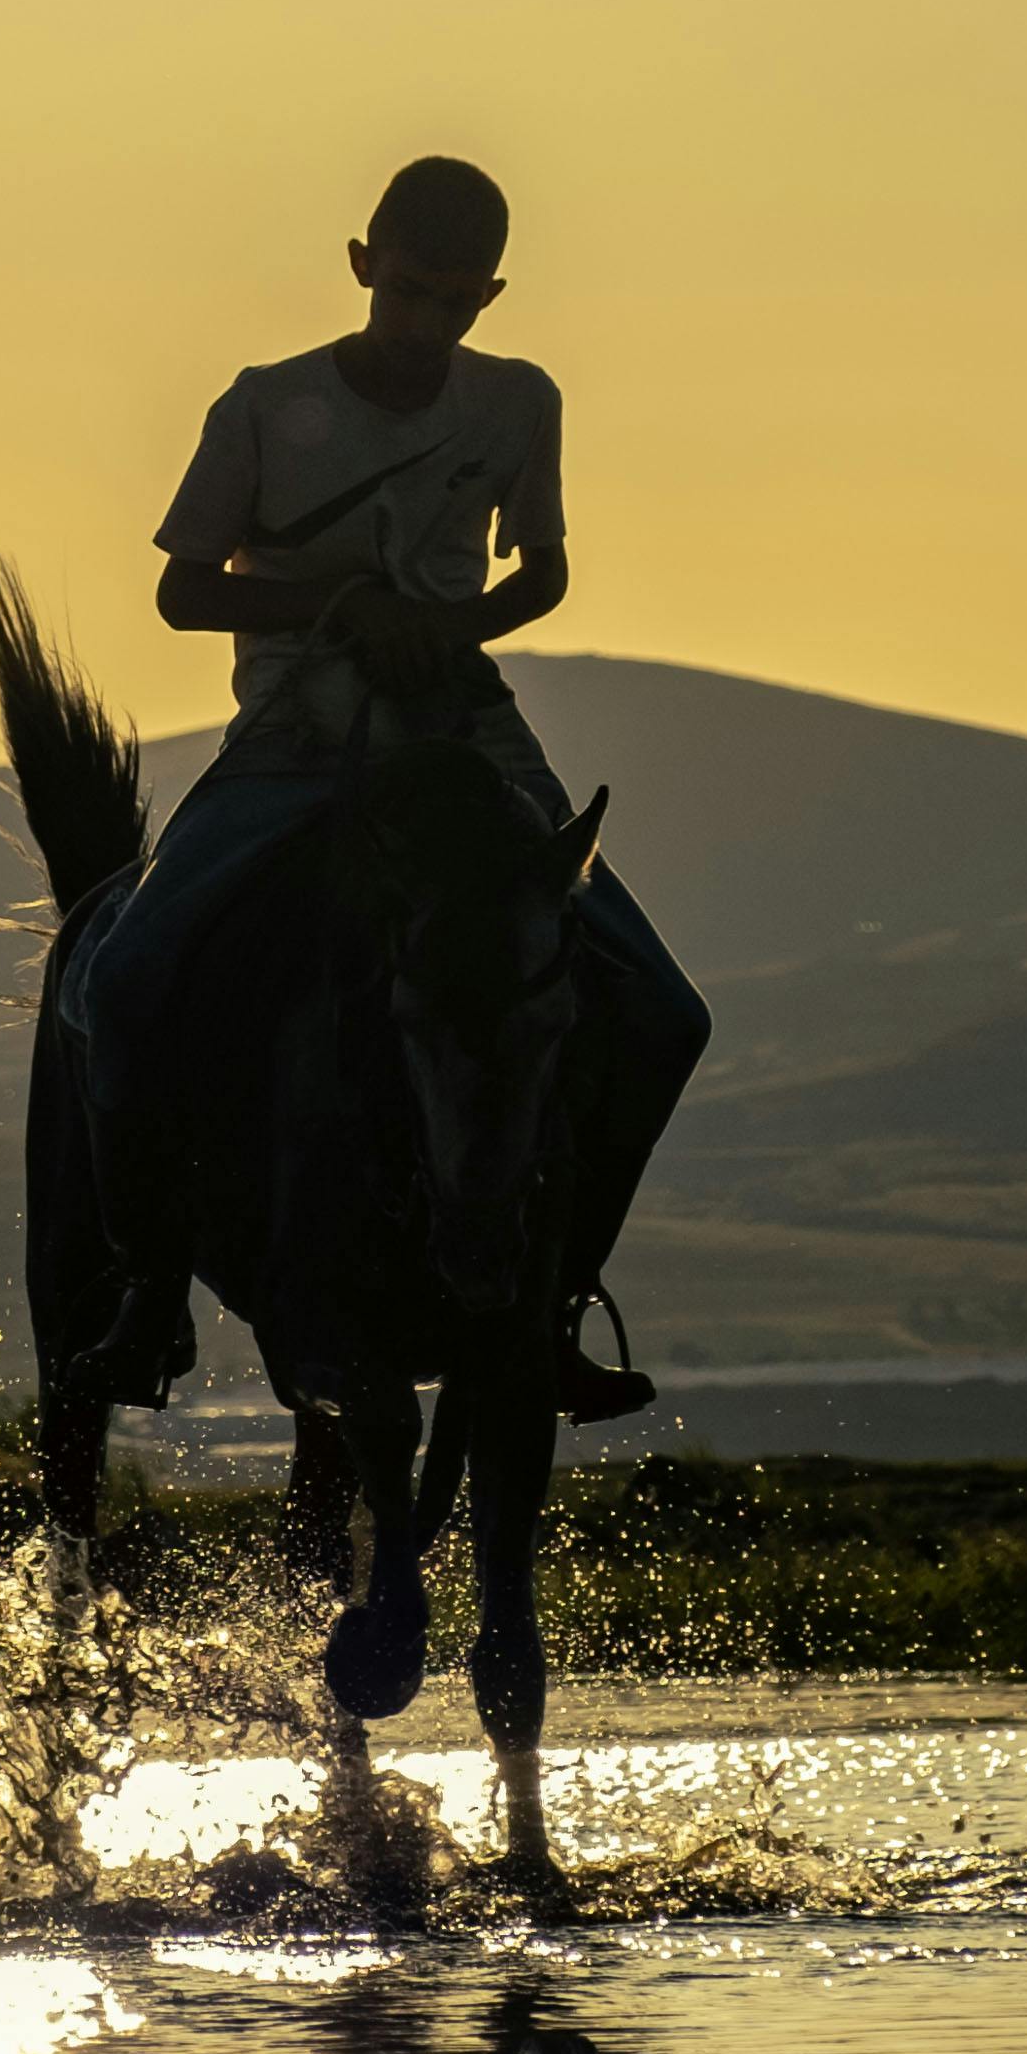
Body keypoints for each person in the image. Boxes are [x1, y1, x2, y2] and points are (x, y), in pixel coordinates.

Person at [62, 153, 710, 1410]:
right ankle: (149, 1294)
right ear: (361, 267)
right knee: (127, 975)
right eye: (408, 292)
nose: (426, 324)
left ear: (491, 295)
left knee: (670, 1015)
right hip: (297, 737)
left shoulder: (519, 403)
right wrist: (344, 609)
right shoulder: (261, 404)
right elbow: (183, 589)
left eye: (456, 301)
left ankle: (554, 1299)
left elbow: (544, 573)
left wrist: (448, 634)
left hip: (466, 734)